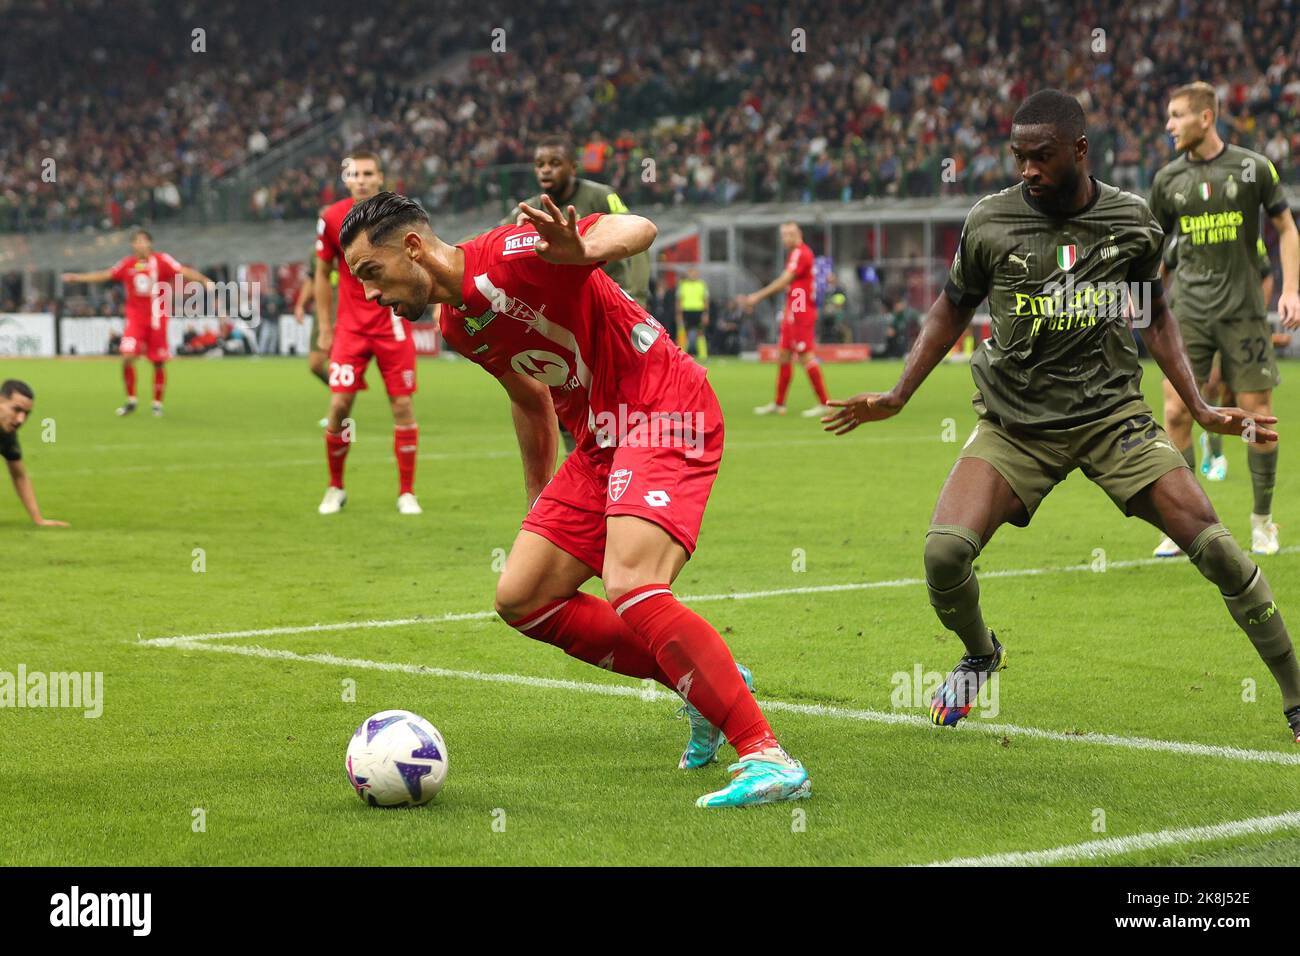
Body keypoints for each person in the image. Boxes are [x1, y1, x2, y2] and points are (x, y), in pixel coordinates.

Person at [824, 89, 1300, 744]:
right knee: (943, 555)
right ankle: (981, 654)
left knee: (1216, 547)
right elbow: (950, 309)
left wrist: (1199, 406)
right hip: (1015, 423)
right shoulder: (990, 221)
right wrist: (898, 394)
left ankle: (1296, 697)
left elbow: (1154, 316)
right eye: (1018, 157)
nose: (1028, 170)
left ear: (1079, 150)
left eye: (1041, 157)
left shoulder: (1131, 220)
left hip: (1112, 419)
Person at [339, 190, 811, 807]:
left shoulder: (512, 255)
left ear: (411, 246)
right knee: (522, 597)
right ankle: (705, 683)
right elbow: (530, 399)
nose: (371, 295)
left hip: (663, 405)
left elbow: (639, 225)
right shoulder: (458, 325)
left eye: (371, 274)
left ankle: (768, 756)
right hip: (599, 441)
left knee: (633, 582)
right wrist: (540, 500)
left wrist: (581, 250)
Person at [1148, 81, 1300, 557]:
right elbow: (1149, 250)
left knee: (1256, 416)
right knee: (1175, 411)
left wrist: (1291, 289)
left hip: (1243, 312)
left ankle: (1261, 522)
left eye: (1176, 115)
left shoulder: (1253, 168)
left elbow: (1285, 227)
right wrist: (1137, 304)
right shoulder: (1167, 180)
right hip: (1187, 313)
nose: (1169, 125)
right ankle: (1190, 525)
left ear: (1205, 117)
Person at [504, 137, 653, 453]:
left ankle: (626, 457)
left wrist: (637, 296)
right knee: (565, 392)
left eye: (554, 163)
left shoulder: (601, 196)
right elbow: (491, 243)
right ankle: (582, 459)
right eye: (540, 164)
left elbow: (634, 240)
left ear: (573, 167)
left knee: (614, 392)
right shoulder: (530, 208)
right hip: (560, 319)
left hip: (607, 311)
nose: (545, 170)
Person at [315, 151, 422, 515]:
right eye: (354, 173)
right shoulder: (330, 217)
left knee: (403, 406)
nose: (360, 179)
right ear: (346, 178)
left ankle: (407, 492)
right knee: (339, 404)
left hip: (391, 322)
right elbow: (320, 273)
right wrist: (325, 328)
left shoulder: (399, 215)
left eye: (368, 173)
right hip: (350, 328)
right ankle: (335, 486)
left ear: (381, 178)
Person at [62, 229, 213, 417]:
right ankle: (131, 400)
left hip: (158, 318)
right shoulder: (128, 264)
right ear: (132, 245)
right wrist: (78, 278)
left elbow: (182, 271)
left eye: (143, 241)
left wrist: (203, 280)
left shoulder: (161, 260)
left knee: (158, 362)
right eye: (136, 241)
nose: (140, 244)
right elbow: (106, 275)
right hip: (135, 319)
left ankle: (157, 404)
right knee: (127, 356)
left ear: (150, 243)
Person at [742, 223, 832, 418]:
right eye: (783, 235)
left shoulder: (801, 253)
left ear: (798, 234)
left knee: (805, 356)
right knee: (783, 354)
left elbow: (785, 280)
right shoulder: (795, 253)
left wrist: (757, 296)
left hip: (801, 311)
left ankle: (825, 403)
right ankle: (779, 404)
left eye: (789, 234)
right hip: (793, 310)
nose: (785, 238)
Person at [0, 380, 67, 527]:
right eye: (16, 410)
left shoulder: (6, 435)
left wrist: (38, 519)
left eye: (26, 414)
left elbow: (19, 475)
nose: (20, 420)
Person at [675, 268, 710, 361]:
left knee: (700, 333)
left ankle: (703, 356)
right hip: (686, 311)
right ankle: (681, 355)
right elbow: (679, 300)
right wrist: (679, 314)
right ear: (688, 274)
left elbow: (705, 300)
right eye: (691, 273)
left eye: (695, 273)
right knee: (683, 333)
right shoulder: (683, 285)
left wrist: (706, 314)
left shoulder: (702, 285)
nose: (693, 275)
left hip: (699, 311)